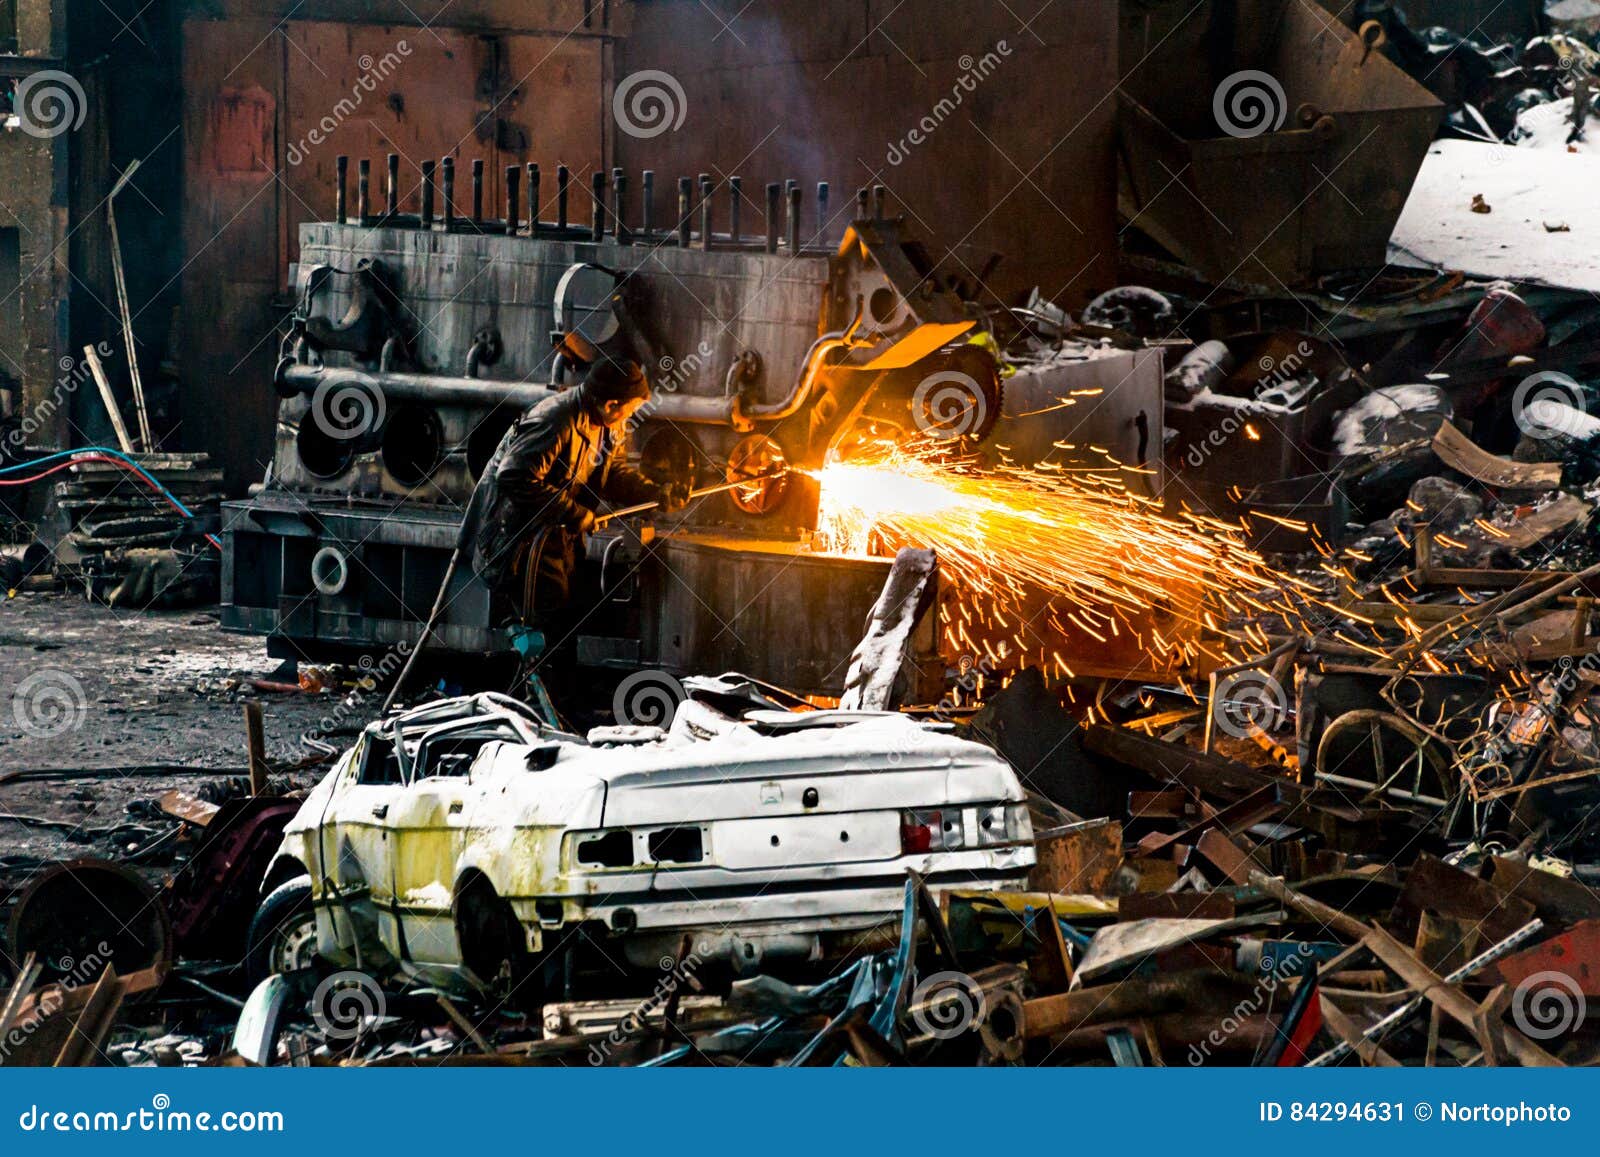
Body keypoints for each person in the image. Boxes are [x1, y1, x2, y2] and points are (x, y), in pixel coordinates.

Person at [472, 358, 689, 627]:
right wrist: (574, 512)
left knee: (564, 618)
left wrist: (653, 493)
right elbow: (514, 476)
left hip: (559, 541)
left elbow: (611, 473)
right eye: (630, 409)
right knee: (545, 625)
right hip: (521, 544)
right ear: (611, 404)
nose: (630, 416)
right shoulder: (556, 420)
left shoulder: (609, 423)